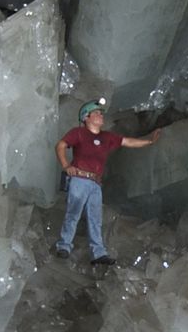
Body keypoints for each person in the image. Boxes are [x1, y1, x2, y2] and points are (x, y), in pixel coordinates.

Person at [54, 99, 160, 266]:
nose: (100, 115)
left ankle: (98, 253)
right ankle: (64, 246)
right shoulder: (78, 133)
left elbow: (127, 141)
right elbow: (61, 145)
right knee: (73, 213)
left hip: (96, 183)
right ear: (86, 118)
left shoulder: (107, 137)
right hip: (80, 179)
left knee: (95, 218)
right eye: (96, 113)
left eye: (101, 113)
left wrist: (149, 142)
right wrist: (66, 165)